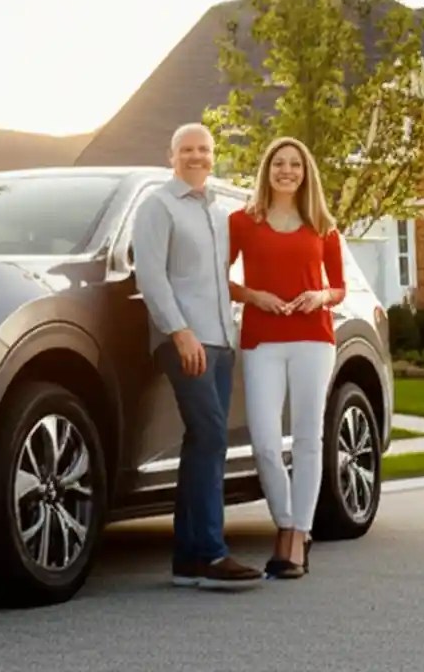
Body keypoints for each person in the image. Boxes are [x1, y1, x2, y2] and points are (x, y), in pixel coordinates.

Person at [131, 122, 264, 590]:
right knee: (209, 435)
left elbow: (219, 278)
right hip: (184, 339)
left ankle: (188, 558)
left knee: (204, 441)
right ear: (171, 155)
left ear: (213, 156)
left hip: (221, 340)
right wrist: (180, 332)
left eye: (203, 150)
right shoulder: (158, 206)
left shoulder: (220, 213)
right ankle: (210, 552)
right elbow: (150, 276)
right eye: (186, 149)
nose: (196, 156)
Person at [227, 136, 345, 579]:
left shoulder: (321, 224)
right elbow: (221, 279)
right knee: (263, 442)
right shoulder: (243, 221)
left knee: (308, 438)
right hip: (261, 340)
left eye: (296, 163)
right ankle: (285, 521)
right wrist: (253, 295)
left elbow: (338, 288)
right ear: (267, 169)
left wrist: (321, 295)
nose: (287, 170)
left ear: (305, 171)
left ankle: (296, 536)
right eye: (280, 163)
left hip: (313, 338)